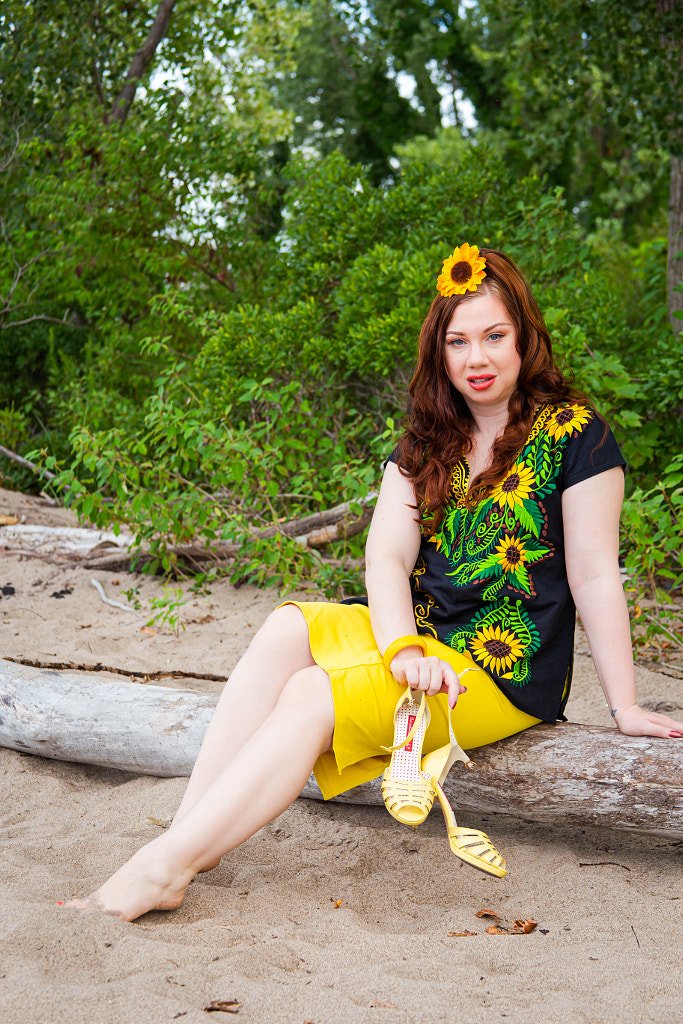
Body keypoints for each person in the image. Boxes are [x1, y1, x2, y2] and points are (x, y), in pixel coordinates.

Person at [66, 243, 683, 921]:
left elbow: (593, 573)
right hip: (420, 640)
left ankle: (162, 869)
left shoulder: (576, 436)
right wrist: (404, 651)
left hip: (498, 669)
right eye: (458, 342)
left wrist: (623, 706)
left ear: (524, 337)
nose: (476, 359)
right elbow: (384, 561)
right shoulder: (426, 439)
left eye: (493, 337)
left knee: (310, 692)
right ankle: (191, 838)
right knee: (286, 627)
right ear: (438, 352)